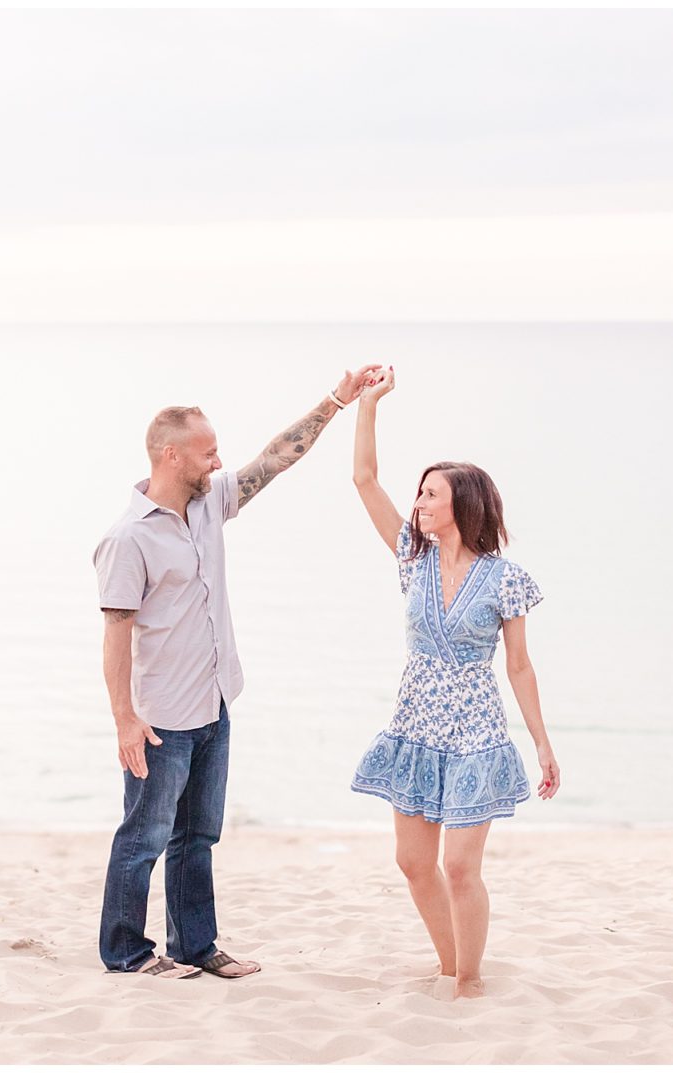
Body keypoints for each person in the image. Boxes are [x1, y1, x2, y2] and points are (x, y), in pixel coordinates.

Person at [93, 365, 383, 980]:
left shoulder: (208, 506)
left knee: (197, 837)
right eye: (207, 452)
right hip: (160, 717)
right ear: (171, 456)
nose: (218, 461)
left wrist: (337, 400)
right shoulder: (128, 539)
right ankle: (126, 952)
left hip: (214, 704)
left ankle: (195, 947)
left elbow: (273, 461)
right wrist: (123, 718)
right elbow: (116, 632)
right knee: (143, 838)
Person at [347, 366, 561, 1000]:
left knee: (460, 867)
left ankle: (469, 982)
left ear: (462, 505)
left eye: (431, 495)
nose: (419, 503)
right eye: (419, 494)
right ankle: (449, 966)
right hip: (416, 725)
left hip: (474, 728)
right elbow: (363, 479)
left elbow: (519, 665)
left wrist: (544, 744)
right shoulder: (411, 558)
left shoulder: (506, 578)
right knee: (413, 864)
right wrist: (368, 404)